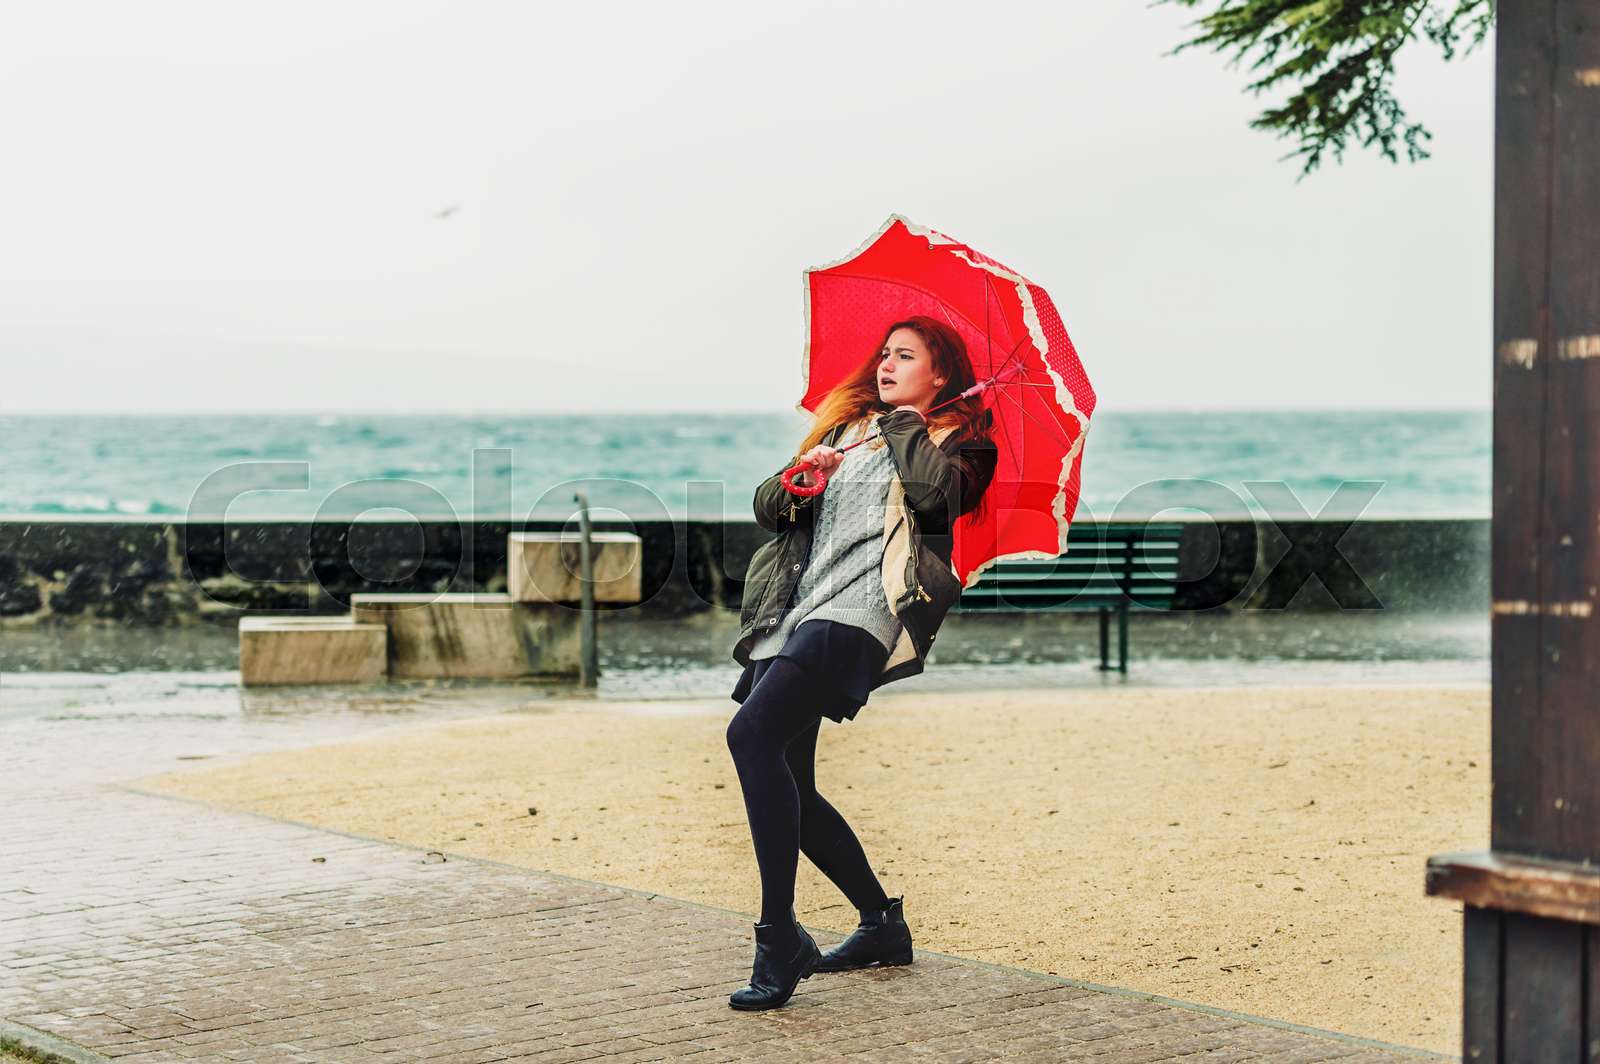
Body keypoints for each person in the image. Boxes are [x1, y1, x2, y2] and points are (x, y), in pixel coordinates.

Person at [724, 315, 999, 1010]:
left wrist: (907, 425)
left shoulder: (959, 442)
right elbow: (769, 509)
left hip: (861, 610)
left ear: (941, 374)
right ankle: (881, 923)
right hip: (793, 607)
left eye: (905, 356)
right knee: (793, 778)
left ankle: (778, 934)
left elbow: (941, 501)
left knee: (750, 736)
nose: (885, 364)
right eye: (883, 353)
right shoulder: (848, 429)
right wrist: (804, 478)